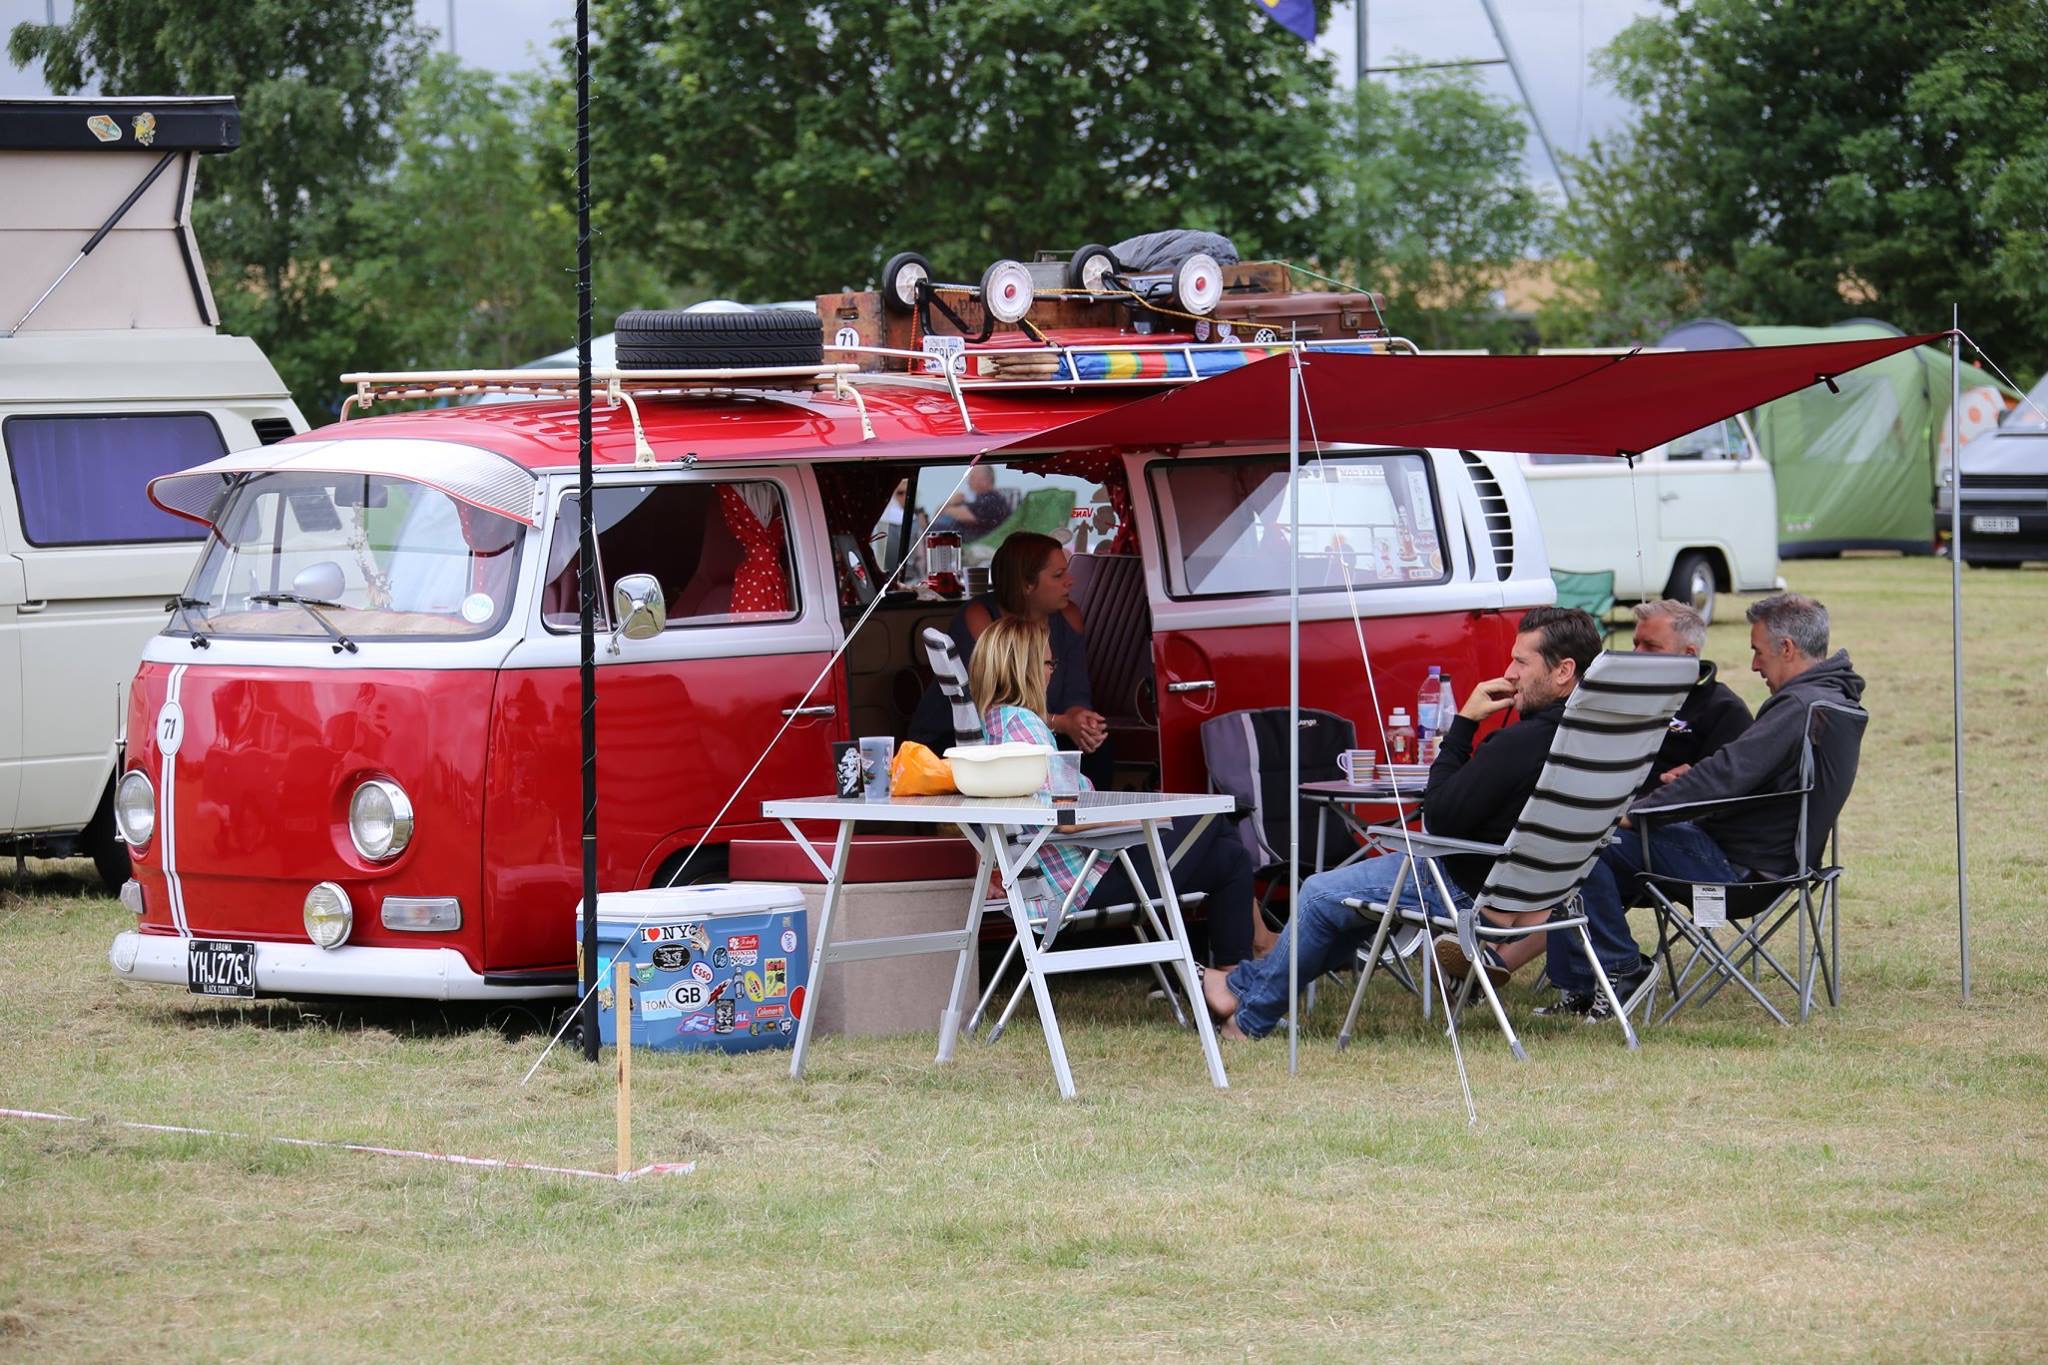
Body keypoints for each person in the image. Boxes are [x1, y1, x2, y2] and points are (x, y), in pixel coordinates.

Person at [1201, 606, 1604, 1039]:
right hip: (1541, 889)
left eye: (1522, 662)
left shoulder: (1521, 743)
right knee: (1343, 910)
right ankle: (1244, 988)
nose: (1509, 673)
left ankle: (1245, 1014)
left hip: (1464, 880)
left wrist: (1464, 724)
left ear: (1564, 671)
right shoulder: (1594, 737)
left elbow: (1439, 816)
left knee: (1318, 893)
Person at [1546, 592, 1866, 1018]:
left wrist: (1638, 812)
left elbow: (1728, 772)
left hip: (1738, 873)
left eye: (1758, 651)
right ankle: (1589, 982)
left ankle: (1621, 972)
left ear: (1787, 648)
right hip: (1778, 863)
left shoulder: (1799, 705)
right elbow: (1761, 781)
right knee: (1598, 853)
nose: (1754, 665)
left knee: (1579, 844)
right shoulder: (1831, 700)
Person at [969, 617, 1274, 966]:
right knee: (1215, 817)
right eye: (1048, 662)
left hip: (1059, 880)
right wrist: (1144, 816)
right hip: (1081, 885)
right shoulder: (1025, 728)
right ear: (1025, 669)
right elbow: (1065, 820)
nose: (1053, 672)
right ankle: (1253, 952)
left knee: (1230, 859)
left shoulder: (992, 724)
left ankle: (1232, 978)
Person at [909, 531, 1110, 782]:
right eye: (1058, 575)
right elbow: (993, 705)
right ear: (1027, 584)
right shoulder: (980, 617)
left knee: (1097, 754)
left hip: (1037, 731)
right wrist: (1061, 722)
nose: (1070, 581)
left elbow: (1076, 690)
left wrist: (1080, 719)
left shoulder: (1069, 618)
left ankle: (1084, 818)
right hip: (964, 737)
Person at [1630, 599, 1752, 792]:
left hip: (1665, 816)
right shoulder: (1620, 695)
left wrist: (1692, 781)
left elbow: (1728, 786)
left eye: (1650, 646)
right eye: (1636, 644)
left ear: (1688, 654)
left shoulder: (1724, 709)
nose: (1636, 654)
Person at [932, 465, 1013, 538]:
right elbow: (937, 514)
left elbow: (969, 516)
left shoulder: (993, 500)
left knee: (935, 531)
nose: (968, 482)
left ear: (985, 480)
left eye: (972, 478)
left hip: (975, 544)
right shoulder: (980, 500)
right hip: (961, 540)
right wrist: (951, 503)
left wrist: (948, 507)